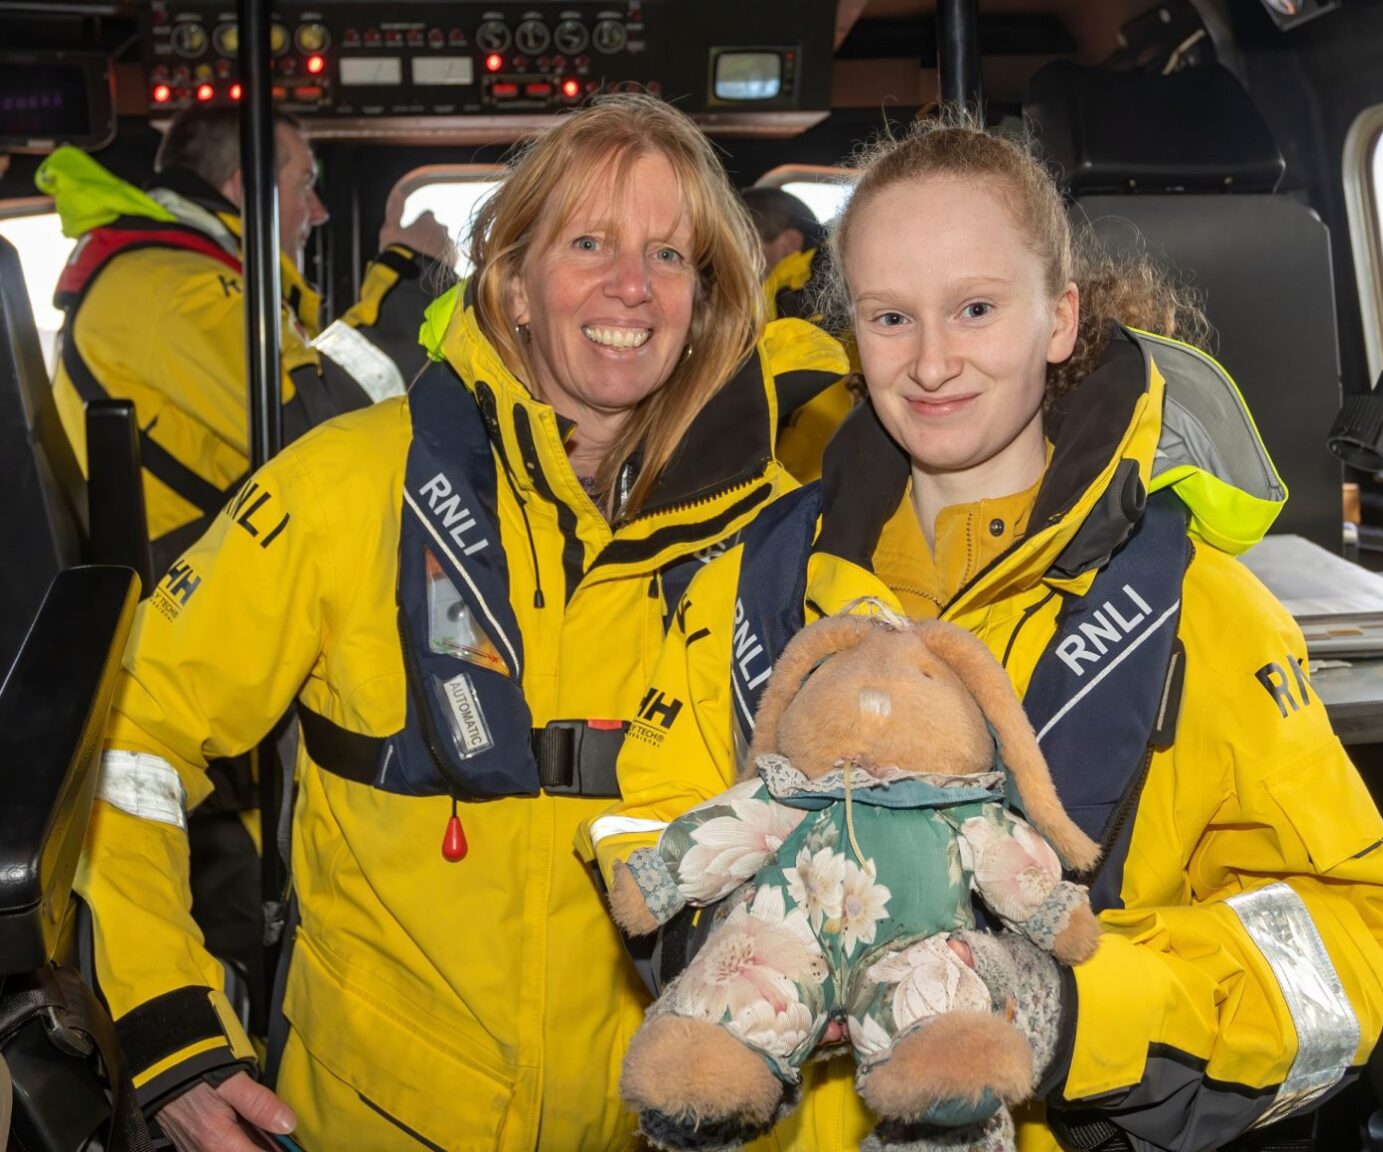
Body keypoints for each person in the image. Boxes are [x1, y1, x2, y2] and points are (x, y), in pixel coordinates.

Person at [587, 115, 1383, 1151]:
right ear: (854, 336)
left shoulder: (1200, 616)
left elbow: (1367, 931)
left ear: (1062, 318)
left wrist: (1074, 1005)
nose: (933, 361)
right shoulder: (748, 591)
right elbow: (644, 829)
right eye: (892, 318)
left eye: (976, 308)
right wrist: (746, 949)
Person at [75, 93, 847, 1150]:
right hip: (379, 1119)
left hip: (671, 1119)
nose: (633, 284)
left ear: (704, 301)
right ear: (515, 284)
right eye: (590, 241)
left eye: (671, 256)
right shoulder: (348, 483)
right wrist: (170, 1033)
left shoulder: (775, 534)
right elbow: (128, 733)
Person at [39, 106, 453, 572]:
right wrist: (408, 269)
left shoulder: (182, 279)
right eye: (304, 183)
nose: (318, 211)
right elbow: (326, 429)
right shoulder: (175, 288)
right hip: (187, 605)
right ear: (246, 190)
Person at [741, 185, 854, 484]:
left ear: (788, 244)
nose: (729, 255)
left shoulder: (800, 300)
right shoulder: (783, 297)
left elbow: (817, 419)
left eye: (741, 241)